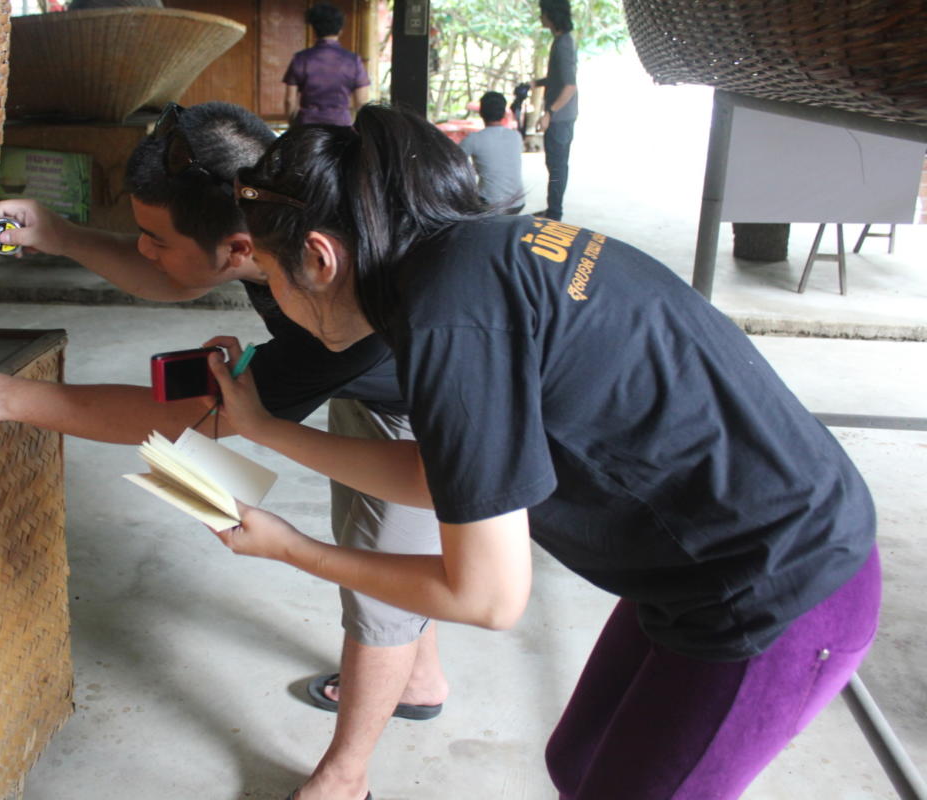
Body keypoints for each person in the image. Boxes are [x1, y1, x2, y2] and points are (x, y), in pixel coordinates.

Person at [198, 104, 881, 799]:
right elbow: (455, 480)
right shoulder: (467, 259)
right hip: (707, 565)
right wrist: (266, 429)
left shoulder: (449, 316)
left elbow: (488, 596)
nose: (272, 298)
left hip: (780, 586)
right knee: (578, 764)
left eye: (271, 277)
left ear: (319, 256)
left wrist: (292, 548)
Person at [0, 101, 446, 800]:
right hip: (374, 386)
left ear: (238, 250)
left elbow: (193, 422)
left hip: (426, 413)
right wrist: (58, 233)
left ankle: (344, 779)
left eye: (153, 237)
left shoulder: (340, 310)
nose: (142, 250)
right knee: (363, 536)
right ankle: (419, 676)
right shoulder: (277, 213)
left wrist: (10, 399)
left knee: (381, 580)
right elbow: (175, 274)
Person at [526, 0, 578, 220]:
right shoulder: (560, 41)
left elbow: (570, 86)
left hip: (561, 117)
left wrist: (550, 113)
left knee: (557, 166)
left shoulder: (564, 44)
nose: (540, 17)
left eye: (542, 13)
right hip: (562, 116)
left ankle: (555, 214)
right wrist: (536, 83)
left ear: (551, 15)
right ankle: (553, 210)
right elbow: (558, 78)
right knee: (554, 164)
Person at [283, 3, 370, 127]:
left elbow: (290, 100)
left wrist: (294, 125)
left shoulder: (301, 59)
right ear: (340, 30)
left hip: (307, 125)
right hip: (341, 125)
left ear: (314, 30)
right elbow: (361, 102)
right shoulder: (353, 60)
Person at [460, 91, 525, 214]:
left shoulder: (474, 139)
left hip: (490, 205)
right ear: (504, 114)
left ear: (481, 113)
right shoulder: (516, 136)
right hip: (518, 203)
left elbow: (453, 163)